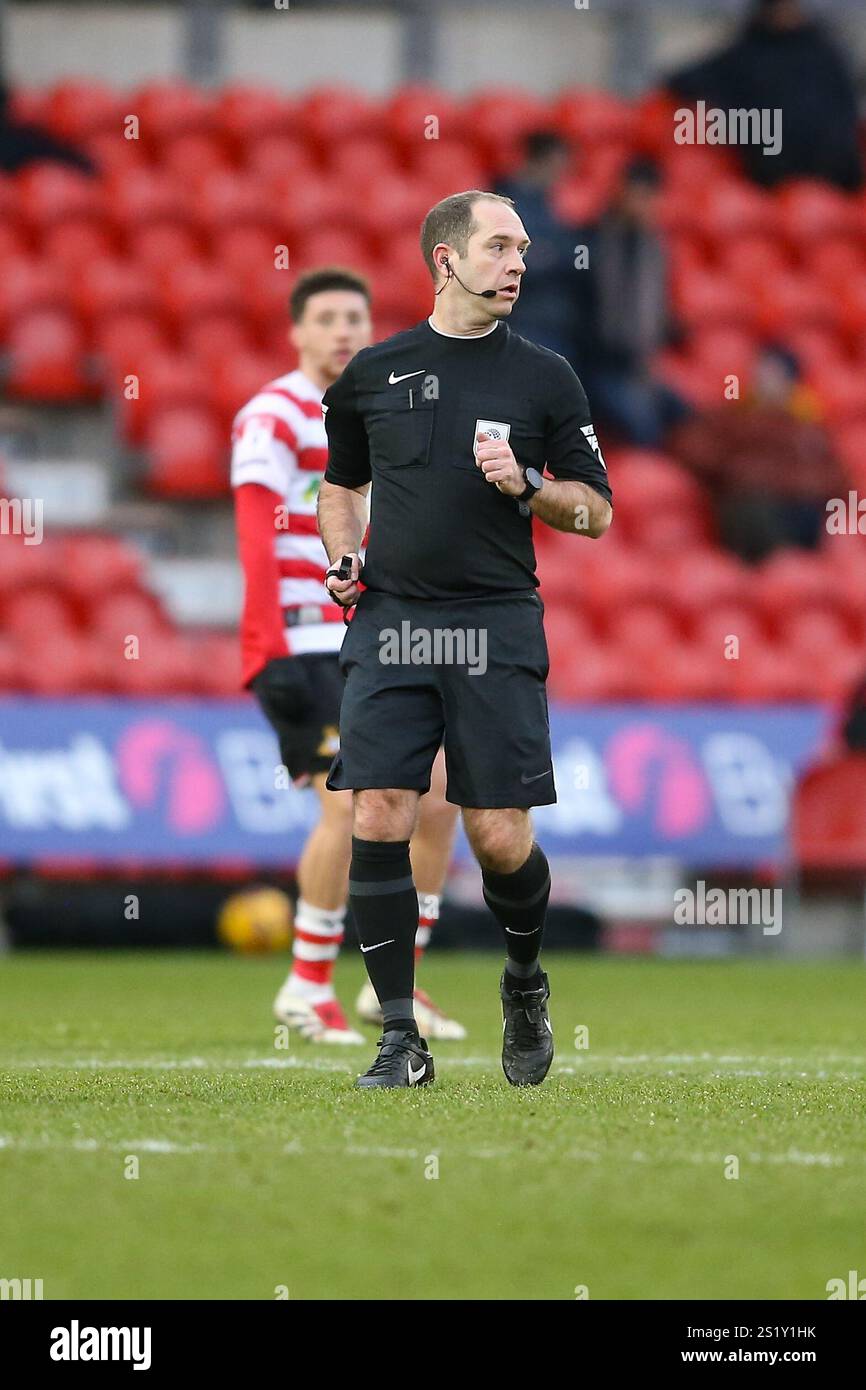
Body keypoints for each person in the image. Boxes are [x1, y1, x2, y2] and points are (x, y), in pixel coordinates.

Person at [318, 191, 612, 1089]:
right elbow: (339, 488)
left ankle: (524, 982)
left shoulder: (546, 377)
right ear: (447, 260)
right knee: (378, 810)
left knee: (496, 835)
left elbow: (595, 512)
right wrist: (342, 557)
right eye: (500, 247)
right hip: (395, 619)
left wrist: (528, 484)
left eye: (523, 248)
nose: (519, 262)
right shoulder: (373, 373)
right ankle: (400, 1039)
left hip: (494, 623)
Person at [231, 268, 464, 1045]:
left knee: (435, 798)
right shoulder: (273, 413)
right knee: (345, 802)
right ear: (297, 331)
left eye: (355, 317)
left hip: (381, 636)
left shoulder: (383, 410)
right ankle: (304, 985)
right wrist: (265, 647)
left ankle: (391, 981)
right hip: (303, 641)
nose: (343, 331)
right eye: (326, 318)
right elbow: (255, 532)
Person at [669, 344, 842, 563]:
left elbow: (835, 478)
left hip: (798, 511)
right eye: (761, 371)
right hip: (750, 508)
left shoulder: (806, 427)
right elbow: (693, 447)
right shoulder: (734, 417)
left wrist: (786, 482)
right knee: (749, 508)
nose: (763, 379)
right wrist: (736, 470)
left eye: (772, 373)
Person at [665, 0, 863, 191]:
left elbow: (846, 109)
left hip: (834, 172)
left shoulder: (823, 53)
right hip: (773, 174)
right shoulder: (746, 54)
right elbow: (685, 80)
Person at [578, 158, 686, 448]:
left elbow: (658, 313)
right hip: (595, 365)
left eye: (650, 197)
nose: (643, 205)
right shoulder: (589, 241)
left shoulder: (654, 247)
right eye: (638, 195)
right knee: (643, 424)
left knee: (687, 415)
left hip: (638, 365)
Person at [496, 131, 583, 366]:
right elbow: (520, 262)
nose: (560, 175)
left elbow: (569, 254)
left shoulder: (550, 205)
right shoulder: (502, 204)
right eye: (557, 166)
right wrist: (554, 257)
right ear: (539, 161)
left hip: (556, 322)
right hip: (521, 321)